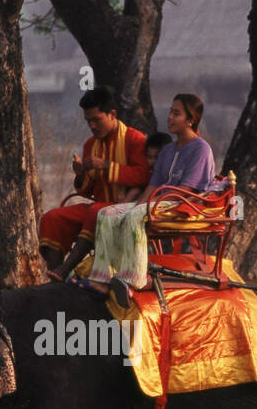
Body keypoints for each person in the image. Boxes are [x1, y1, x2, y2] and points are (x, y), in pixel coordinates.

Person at [85, 93, 216, 309]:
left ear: (191, 119)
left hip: (184, 204)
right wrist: (136, 206)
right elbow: (153, 185)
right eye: (170, 112)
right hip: (160, 201)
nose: (170, 118)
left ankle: (136, 279)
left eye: (176, 113)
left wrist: (146, 208)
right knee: (108, 213)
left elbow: (186, 189)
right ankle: (102, 277)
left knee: (137, 216)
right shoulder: (168, 150)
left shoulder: (201, 149)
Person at [40, 87, 150, 280]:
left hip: (127, 208)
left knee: (95, 211)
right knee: (51, 218)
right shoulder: (90, 145)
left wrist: (106, 166)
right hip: (98, 206)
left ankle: (64, 270)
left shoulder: (135, 139)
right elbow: (86, 189)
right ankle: (55, 280)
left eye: (96, 120)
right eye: (88, 121)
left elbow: (143, 176)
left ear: (112, 114)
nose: (91, 126)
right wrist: (81, 174)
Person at [121, 132, 172, 203]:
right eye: (149, 157)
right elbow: (138, 189)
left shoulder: (171, 173)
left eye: (156, 157)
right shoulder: (148, 173)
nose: (151, 162)